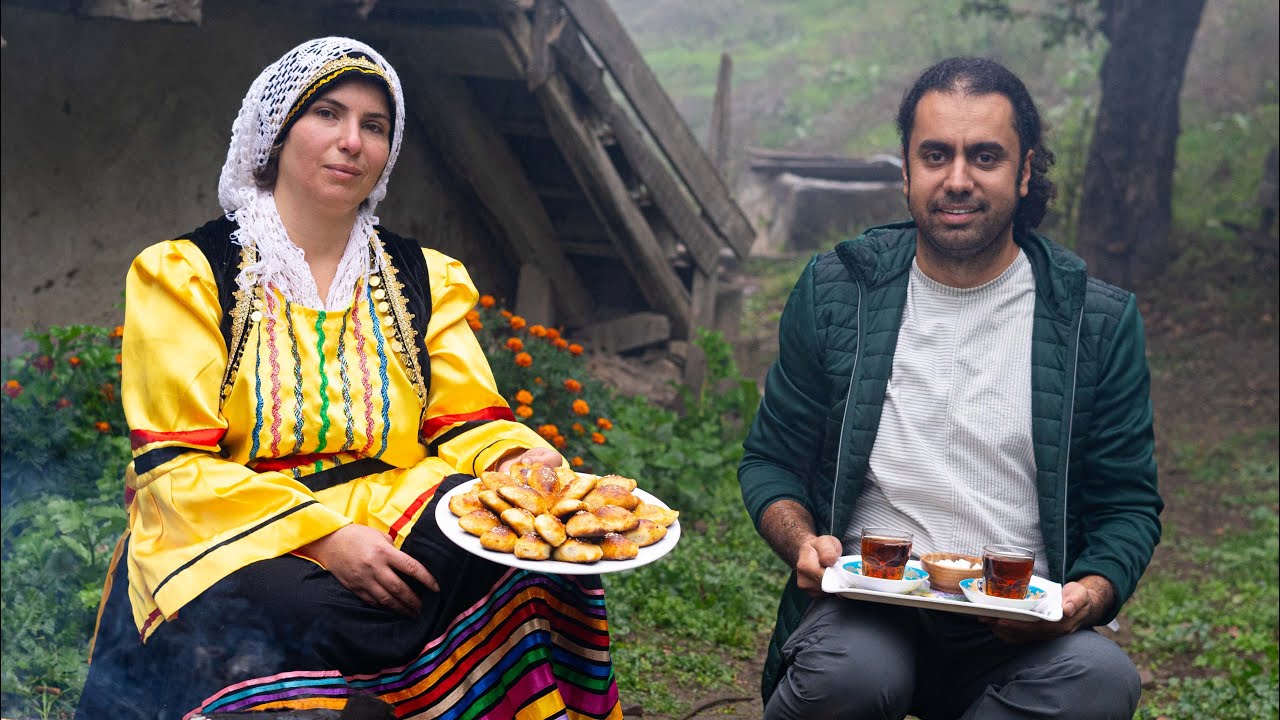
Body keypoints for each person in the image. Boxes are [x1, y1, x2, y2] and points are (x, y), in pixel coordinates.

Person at [77, 37, 622, 719]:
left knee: (529, 551)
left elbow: (466, 421)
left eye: (374, 126)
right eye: (328, 114)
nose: (352, 142)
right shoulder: (186, 273)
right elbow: (177, 463)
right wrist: (324, 538)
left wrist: (521, 460)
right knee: (322, 607)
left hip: (394, 500)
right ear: (276, 135)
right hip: (233, 519)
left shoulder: (423, 277)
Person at [738, 56, 1162, 719]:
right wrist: (803, 545)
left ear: (1023, 174)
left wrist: (1087, 595)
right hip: (865, 612)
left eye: (984, 157)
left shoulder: (1095, 322)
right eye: (936, 155)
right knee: (854, 673)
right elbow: (772, 461)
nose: (957, 180)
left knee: (1099, 679)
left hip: (1017, 625)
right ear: (905, 171)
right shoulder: (836, 292)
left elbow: (1128, 503)